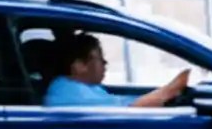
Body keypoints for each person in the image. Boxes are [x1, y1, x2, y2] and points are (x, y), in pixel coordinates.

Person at [43, 32, 191, 108]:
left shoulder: (87, 88)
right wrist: (172, 88)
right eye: (99, 58)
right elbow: (132, 110)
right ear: (79, 65)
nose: (105, 63)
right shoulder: (69, 92)